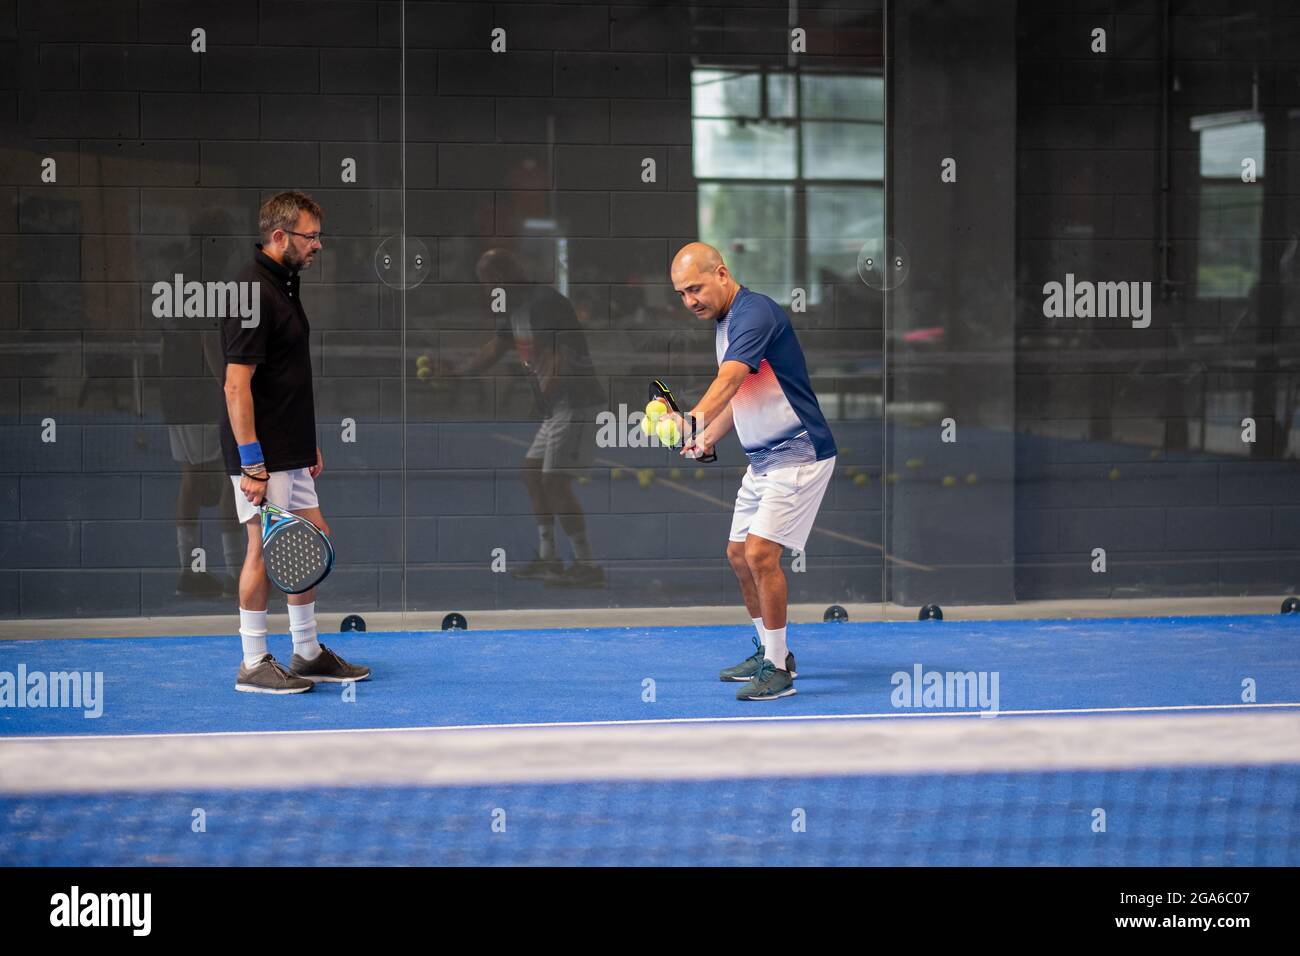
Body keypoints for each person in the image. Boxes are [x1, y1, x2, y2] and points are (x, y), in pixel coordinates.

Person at [668, 243, 837, 701]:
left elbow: (726, 382)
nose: (690, 301)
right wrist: (707, 437)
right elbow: (740, 395)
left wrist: (692, 420)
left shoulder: (755, 314)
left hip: (800, 452)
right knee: (738, 554)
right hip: (763, 460)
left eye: (696, 288)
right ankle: (769, 650)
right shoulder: (724, 324)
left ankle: (779, 670)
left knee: (762, 554)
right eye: (682, 294)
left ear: (722, 274)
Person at [220, 191, 369, 694]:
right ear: (280, 235)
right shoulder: (250, 290)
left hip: (291, 451)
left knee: (309, 542)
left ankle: (306, 653)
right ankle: (253, 662)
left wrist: (307, 444)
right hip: (262, 455)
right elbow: (235, 386)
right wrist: (252, 464)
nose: (318, 245)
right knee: (262, 552)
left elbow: (284, 376)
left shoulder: (283, 285)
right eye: (310, 236)